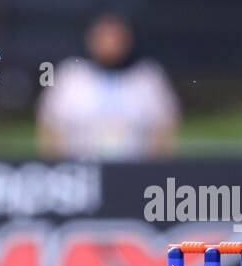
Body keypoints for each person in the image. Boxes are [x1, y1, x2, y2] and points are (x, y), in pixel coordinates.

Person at [36, 11, 180, 160]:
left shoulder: (147, 77)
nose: (110, 43)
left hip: (135, 169)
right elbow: (50, 127)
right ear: (91, 39)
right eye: (104, 37)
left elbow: (164, 130)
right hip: (82, 169)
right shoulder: (71, 76)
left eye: (116, 37)